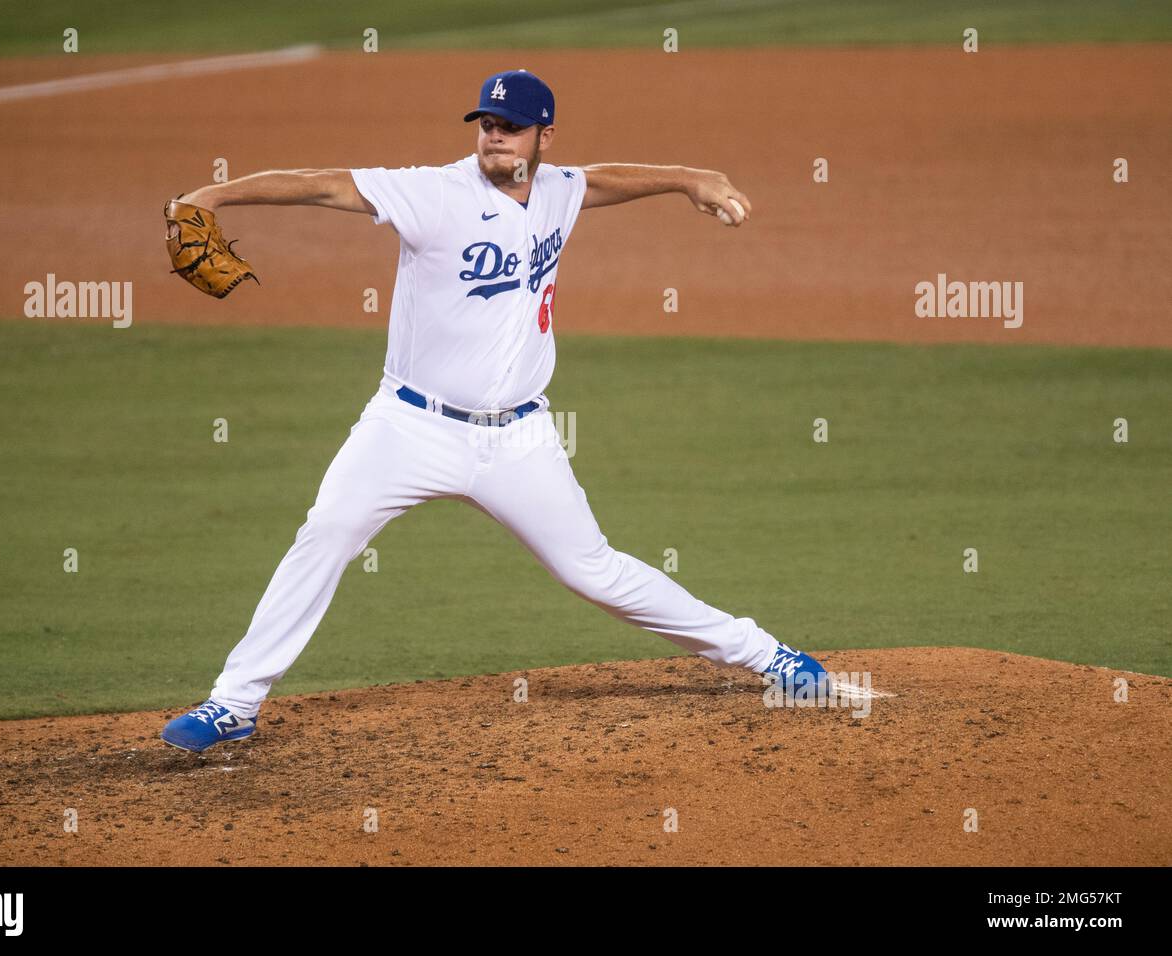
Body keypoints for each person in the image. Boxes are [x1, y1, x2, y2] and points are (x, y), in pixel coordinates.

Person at [161, 69, 829, 753]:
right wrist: (215, 194)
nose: (494, 138)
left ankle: (765, 655)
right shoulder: (433, 193)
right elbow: (322, 183)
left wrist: (691, 176)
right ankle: (233, 703)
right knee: (326, 534)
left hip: (518, 440)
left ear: (543, 137)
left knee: (592, 571)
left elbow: (599, 179)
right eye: (486, 125)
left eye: (509, 128)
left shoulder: (558, 191)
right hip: (410, 426)